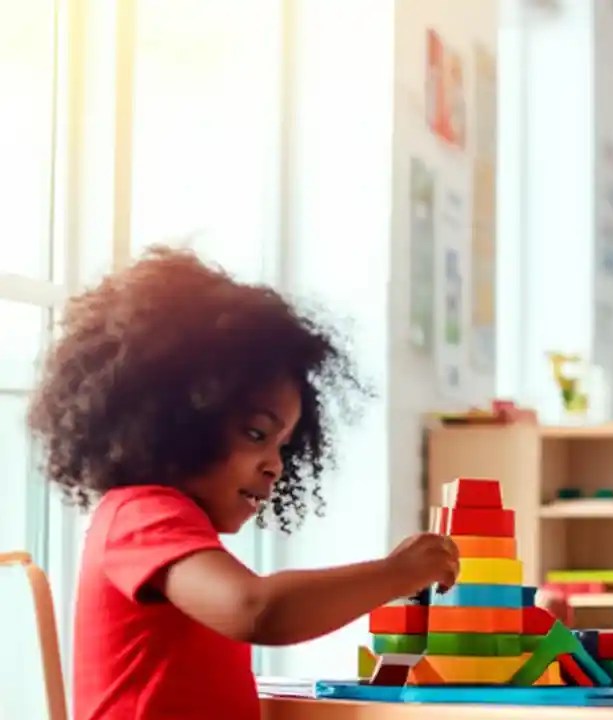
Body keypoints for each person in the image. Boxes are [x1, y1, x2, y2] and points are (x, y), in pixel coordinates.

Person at [27, 247, 461, 720]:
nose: (274, 465)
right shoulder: (140, 515)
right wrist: (395, 573)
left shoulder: (175, 530)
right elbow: (256, 610)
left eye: (283, 446)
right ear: (177, 418)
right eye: (256, 434)